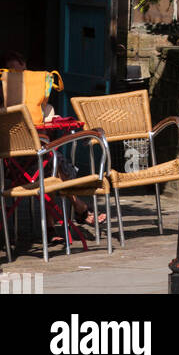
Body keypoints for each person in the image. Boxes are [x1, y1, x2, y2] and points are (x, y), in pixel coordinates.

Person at [0, 50, 103, 227]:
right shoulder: (3, 110)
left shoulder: (44, 108)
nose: (17, 77)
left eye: (19, 72)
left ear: (27, 70)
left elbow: (46, 138)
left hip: (36, 161)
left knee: (49, 164)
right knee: (51, 162)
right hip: (14, 166)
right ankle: (79, 209)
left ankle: (51, 225)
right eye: (10, 72)